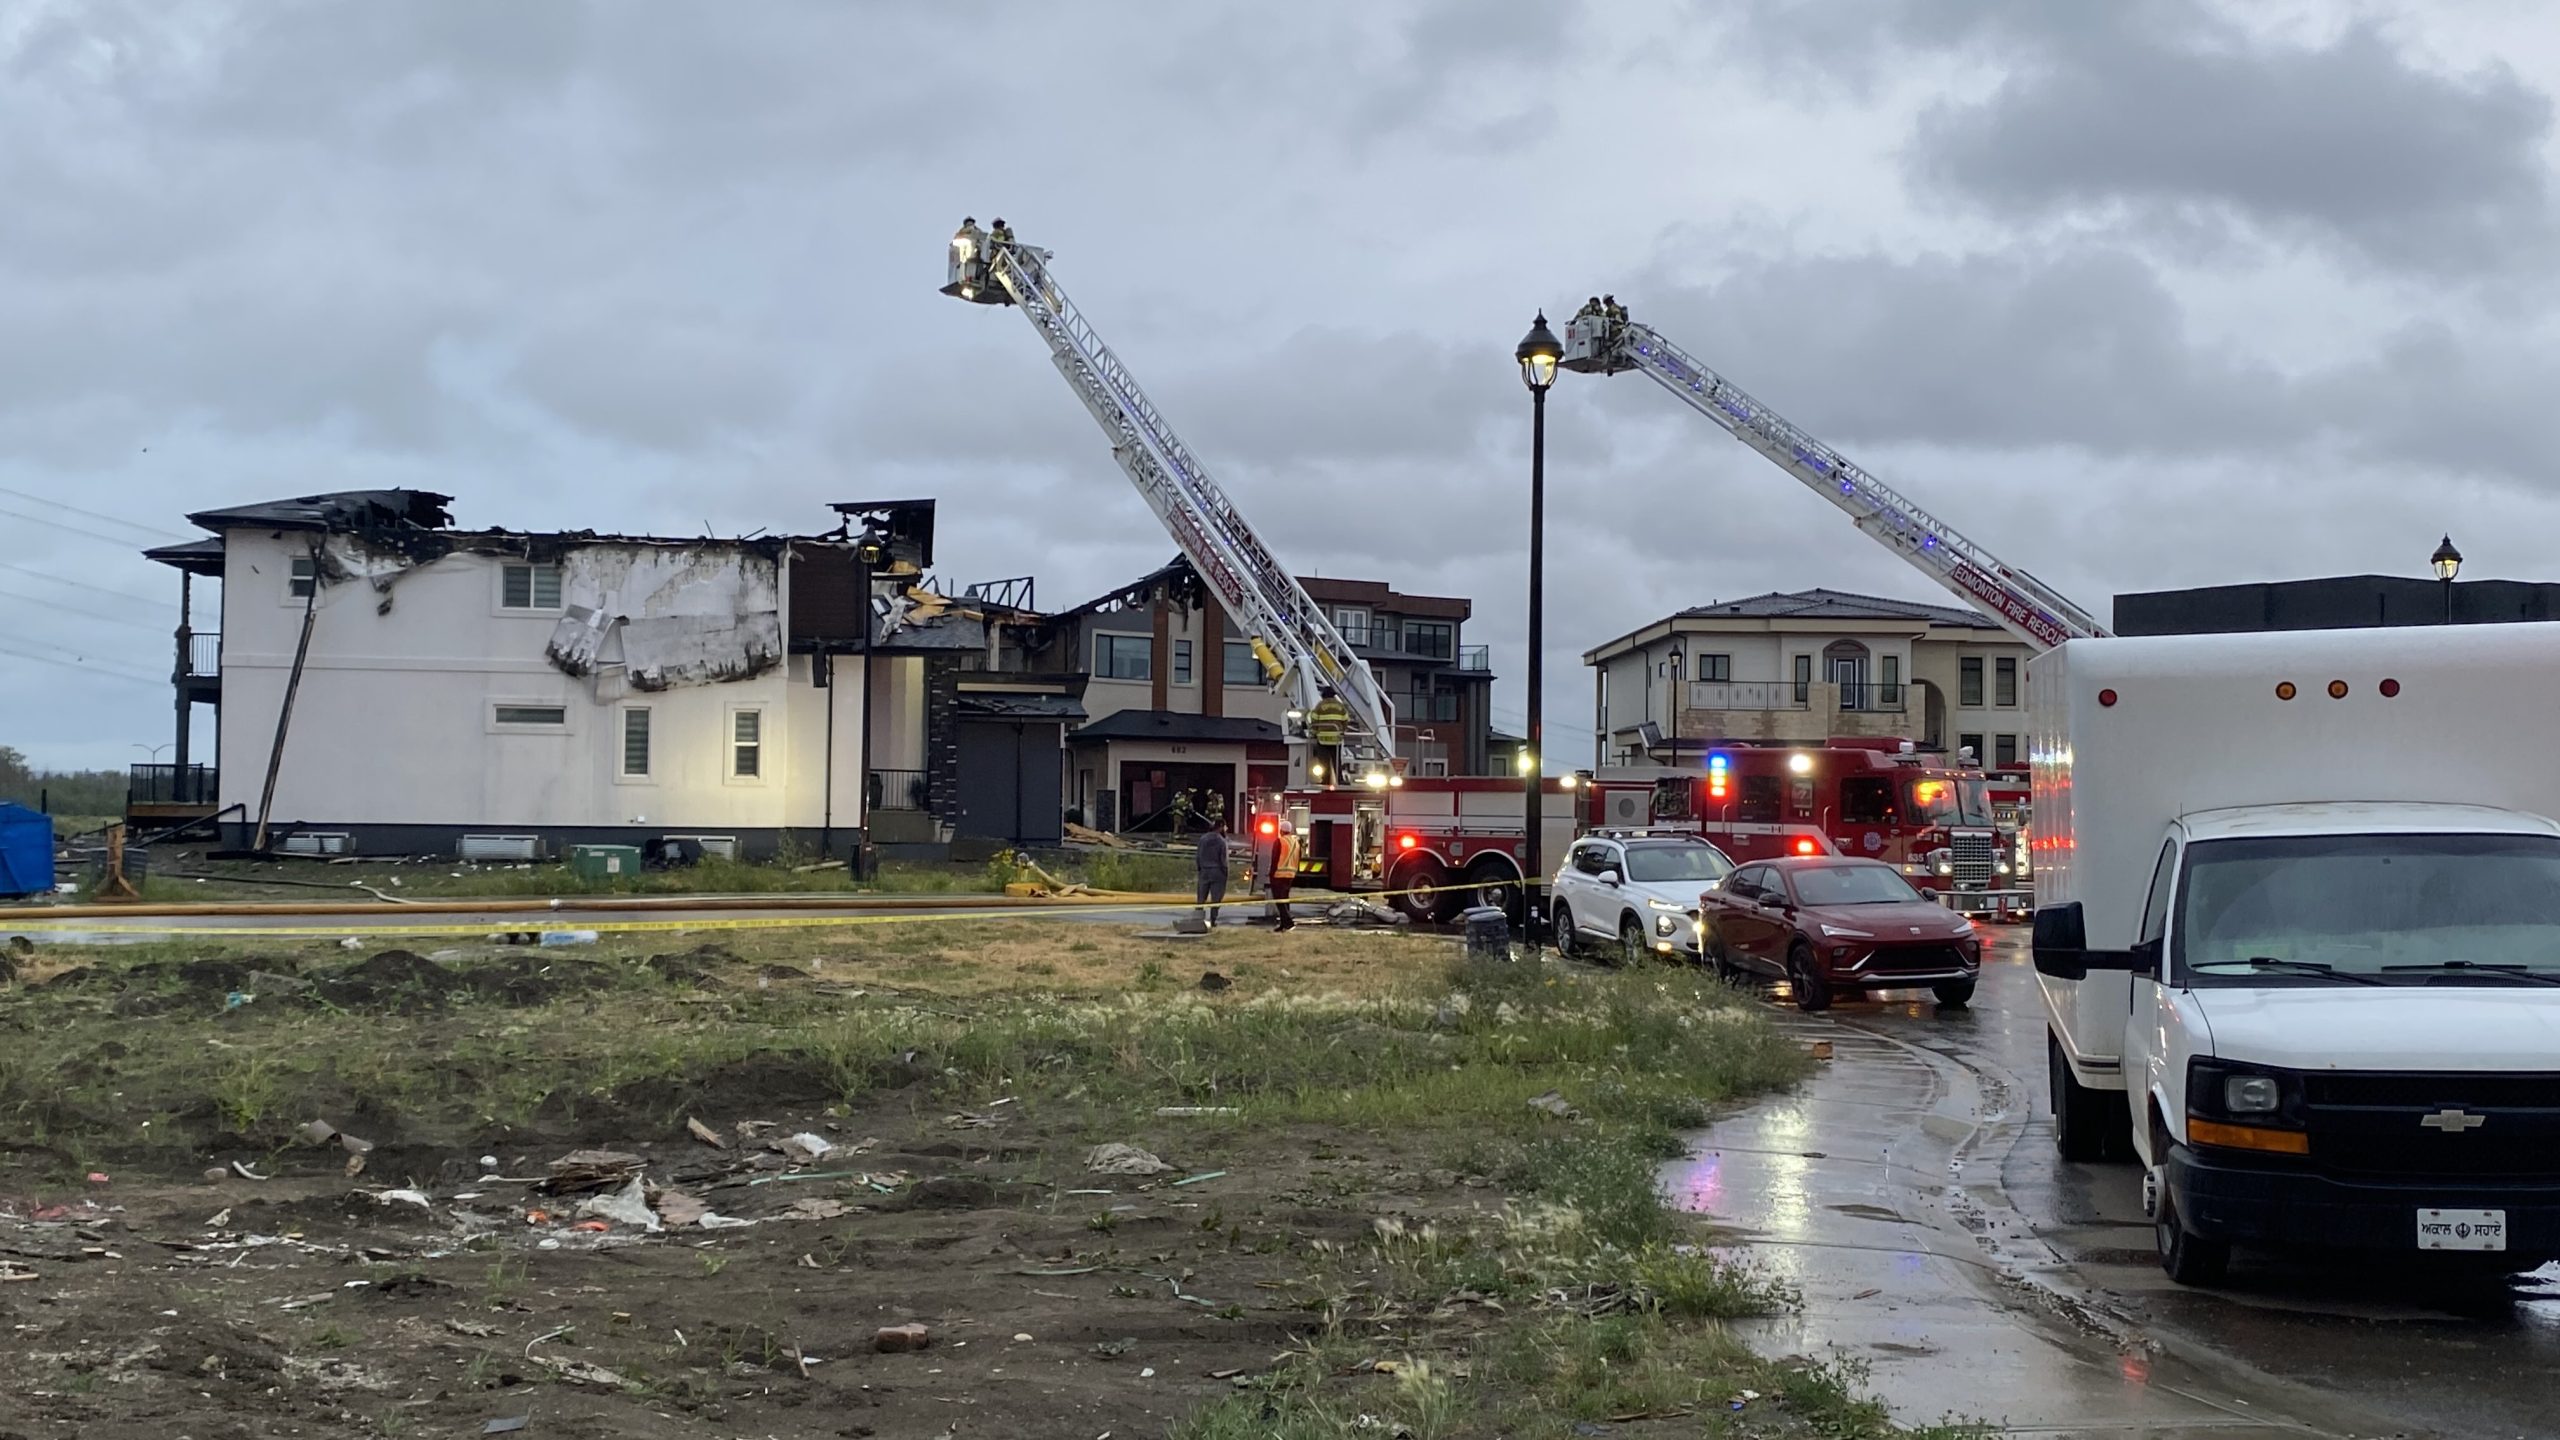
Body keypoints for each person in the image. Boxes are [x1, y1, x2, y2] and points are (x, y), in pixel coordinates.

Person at [1194, 818, 1231, 927]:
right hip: (1218, 872)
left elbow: (1198, 856)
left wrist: (1200, 869)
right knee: (1216, 898)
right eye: (1225, 827)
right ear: (1221, 826)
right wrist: (1225, 872)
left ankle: (1198, 919)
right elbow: (1223, 859)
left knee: (1201, 898)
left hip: (1204, 871)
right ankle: (1213, 920)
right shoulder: (1221, 841)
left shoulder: (1203, 839)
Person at [1269, 819, 1300, 932]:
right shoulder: (1295, 842)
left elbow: (1275, 859)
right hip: (1290, 875)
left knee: (1279, 900)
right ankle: (1283, 924)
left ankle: (1288, 923)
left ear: (1281, 830)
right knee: (1285, 899)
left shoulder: (1279, 841)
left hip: (1279, 875)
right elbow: (1298, 858)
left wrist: (1271, 874)